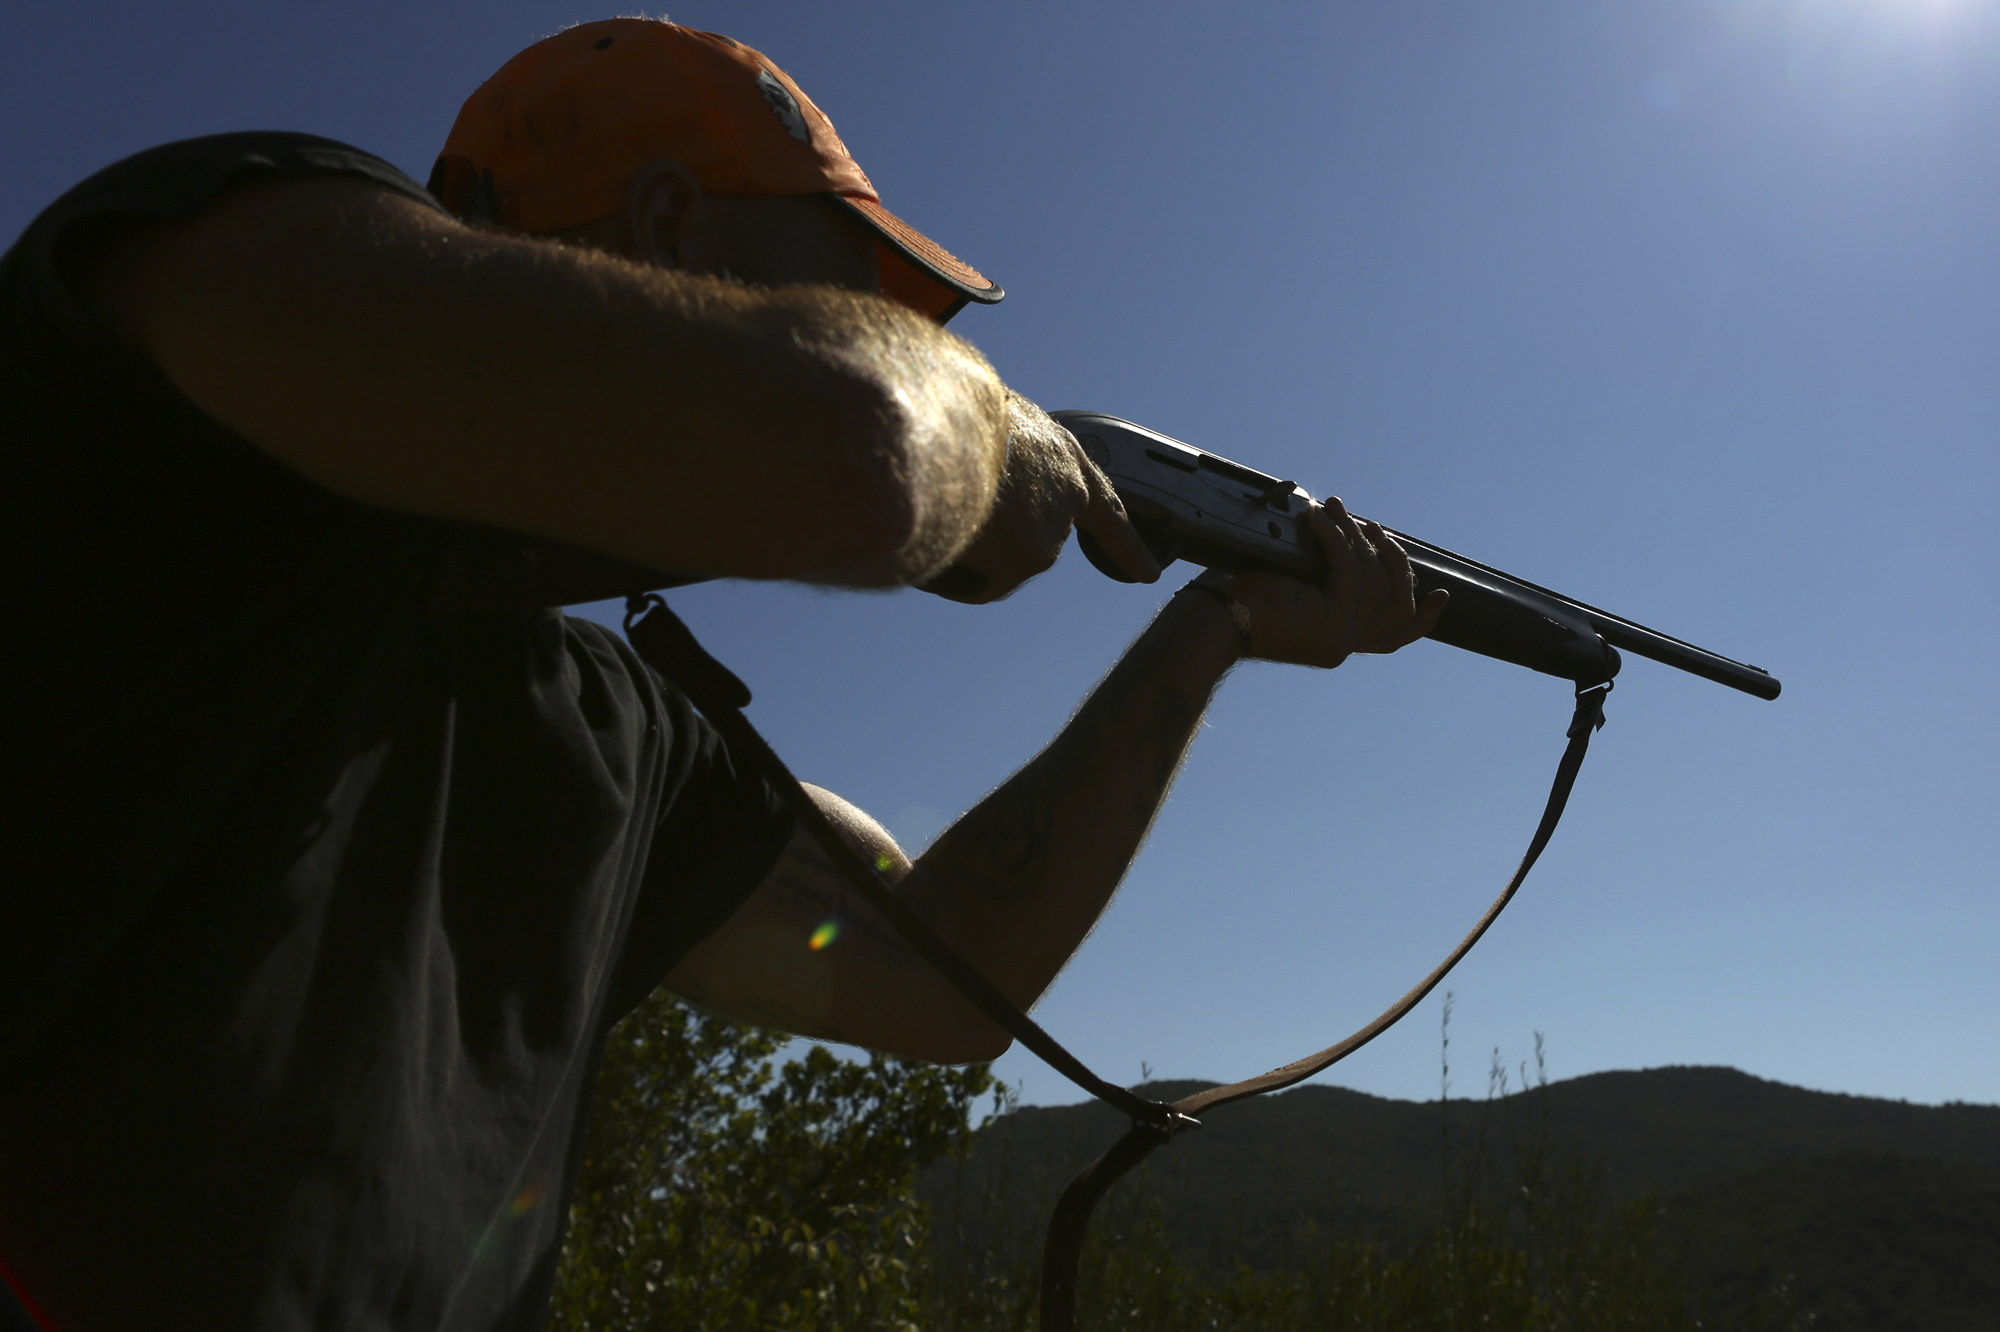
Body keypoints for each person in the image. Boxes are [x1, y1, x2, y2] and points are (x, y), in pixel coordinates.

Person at [0, 18, 1445, 1331]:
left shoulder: (621, 740)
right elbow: (855, 451)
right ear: (671, 224)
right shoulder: (206, 262)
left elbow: (946, 981)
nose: (919, 344)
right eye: (867, 297)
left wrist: (1217, 631)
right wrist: (990, 435)